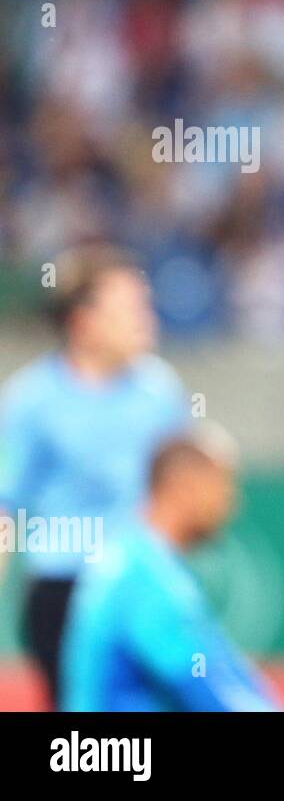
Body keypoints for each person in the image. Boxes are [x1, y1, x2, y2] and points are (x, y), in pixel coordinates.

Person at [0, 245, 188, 707]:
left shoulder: (161, 394)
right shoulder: (31, 400)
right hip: (65, 591)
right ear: (83, 321)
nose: (147, 318)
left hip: (143, 589)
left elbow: (178, 497)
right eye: (130, 307)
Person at [61, 426, 282, 711]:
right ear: (184, 485)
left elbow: (225, 671)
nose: (232, 502)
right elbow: (202, 689)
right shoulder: (144, 578)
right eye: (223, 484)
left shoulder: (144, 562)